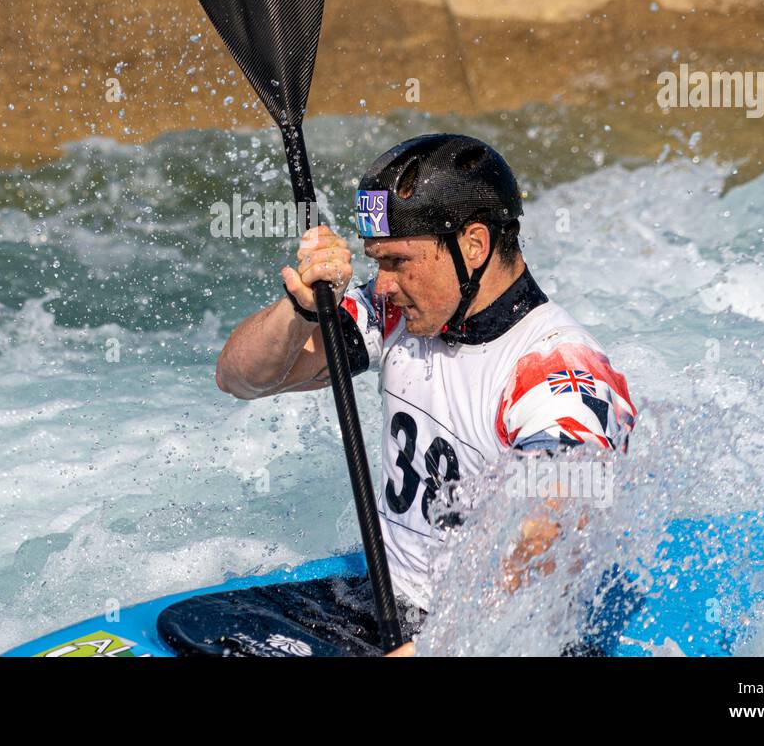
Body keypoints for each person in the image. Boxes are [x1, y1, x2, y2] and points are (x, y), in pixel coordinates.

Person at [215, 133, 638, 655]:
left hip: (498, 639)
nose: (382, 283)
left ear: (474, 245)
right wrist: (298, 308)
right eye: (376, 261)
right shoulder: (401, 315)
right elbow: (242, 379)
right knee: (202, 625)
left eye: (397, 262)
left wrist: (438, 646)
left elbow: (556, 531)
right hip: (388, 610)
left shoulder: (556, 370)